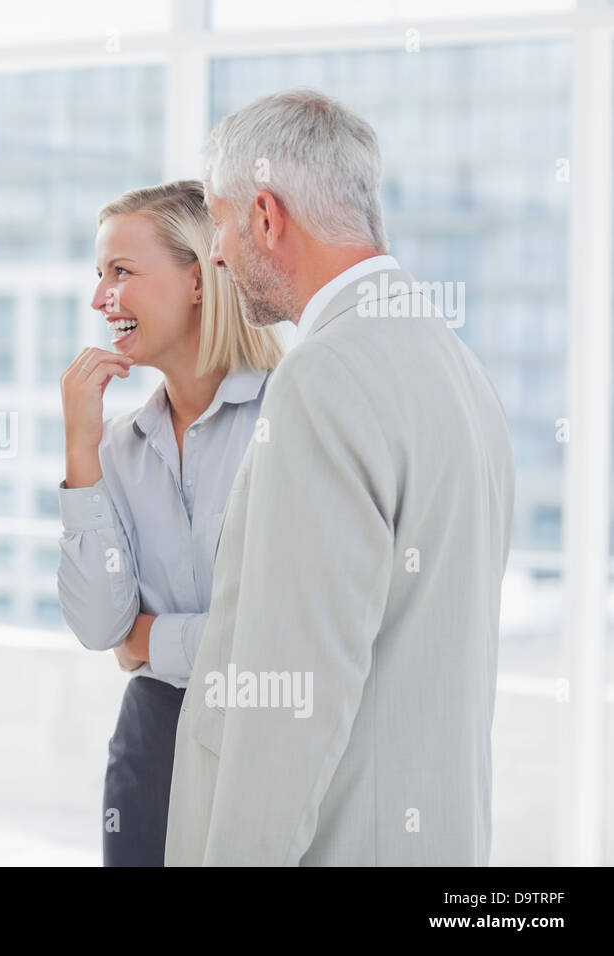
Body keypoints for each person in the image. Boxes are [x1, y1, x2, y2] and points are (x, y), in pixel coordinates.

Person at [164, 89, 516, 866]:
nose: (214, 253)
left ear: (266, 216)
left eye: (218, 222)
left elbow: (292, 696)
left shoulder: (323, 378)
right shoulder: (457, 367)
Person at [58, 180, 282, 866]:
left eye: (121, 272)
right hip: (152, 747)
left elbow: (286, 639)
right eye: (99, 276)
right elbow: (103, 629)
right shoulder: (120, 447)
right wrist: (80, 454)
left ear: (197, 278)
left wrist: (153, 640)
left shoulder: (288, 420)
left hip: (269, 738)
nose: (100, 299)